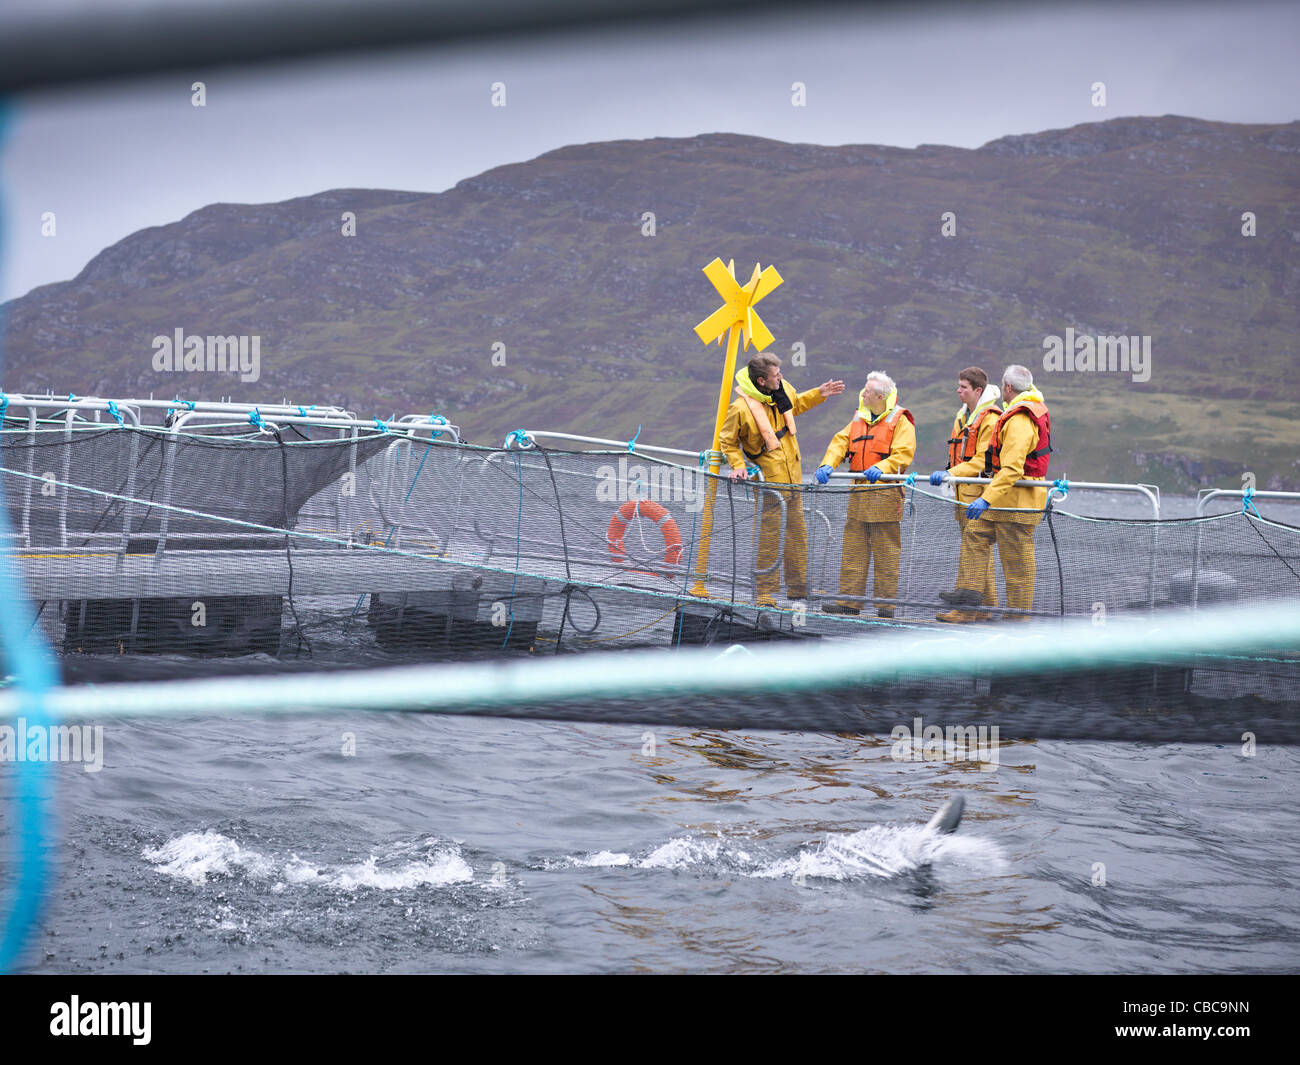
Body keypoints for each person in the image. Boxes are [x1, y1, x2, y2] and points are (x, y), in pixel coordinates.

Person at [718, 352, 844, 607]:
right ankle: (764, 593)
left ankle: (798, 589)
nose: (781, 377)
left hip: (793, 478)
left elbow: (796, 404)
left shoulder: (782, 390)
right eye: (776, 375)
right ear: (762, 381)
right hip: (770, 485)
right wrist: (739, 466)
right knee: (769, 539)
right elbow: (727, 441)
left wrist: (819, 393)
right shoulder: (741, 408)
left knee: (798, 534)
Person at [938, 364, 1052, 623]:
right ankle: (968, 603)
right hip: (1001, 502)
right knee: (974, 535)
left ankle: (1017, 620)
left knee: (1017, 564)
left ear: (1007, 387)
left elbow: (1011, 469)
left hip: (1017, 506)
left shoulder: (1021, 420)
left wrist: (985, 498)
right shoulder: (1012, 414)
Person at [813, 371, 916, 618]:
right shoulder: (859, 416)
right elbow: (840, 441)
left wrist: (881, 467)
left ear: (880, 396)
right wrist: (828, 463)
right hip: (858, 492)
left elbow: (903, 454)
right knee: (853, 549)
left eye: (867, 390)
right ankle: (850, 601)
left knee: (886, 552)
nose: (862, 393)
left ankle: (886, 606)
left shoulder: (901, 421)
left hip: (885, 493)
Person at [928, 366, 1002, 621]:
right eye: (958, 386)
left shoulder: (990, 419)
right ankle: (985, 608)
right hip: (962, 492)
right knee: (979, 553)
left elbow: (982, 459)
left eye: (963, 387)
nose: (958, 391)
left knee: (973, 552)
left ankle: (965, 610)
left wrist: (951, 473)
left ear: (977, 390)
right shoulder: (965, 415)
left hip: (978, 493)